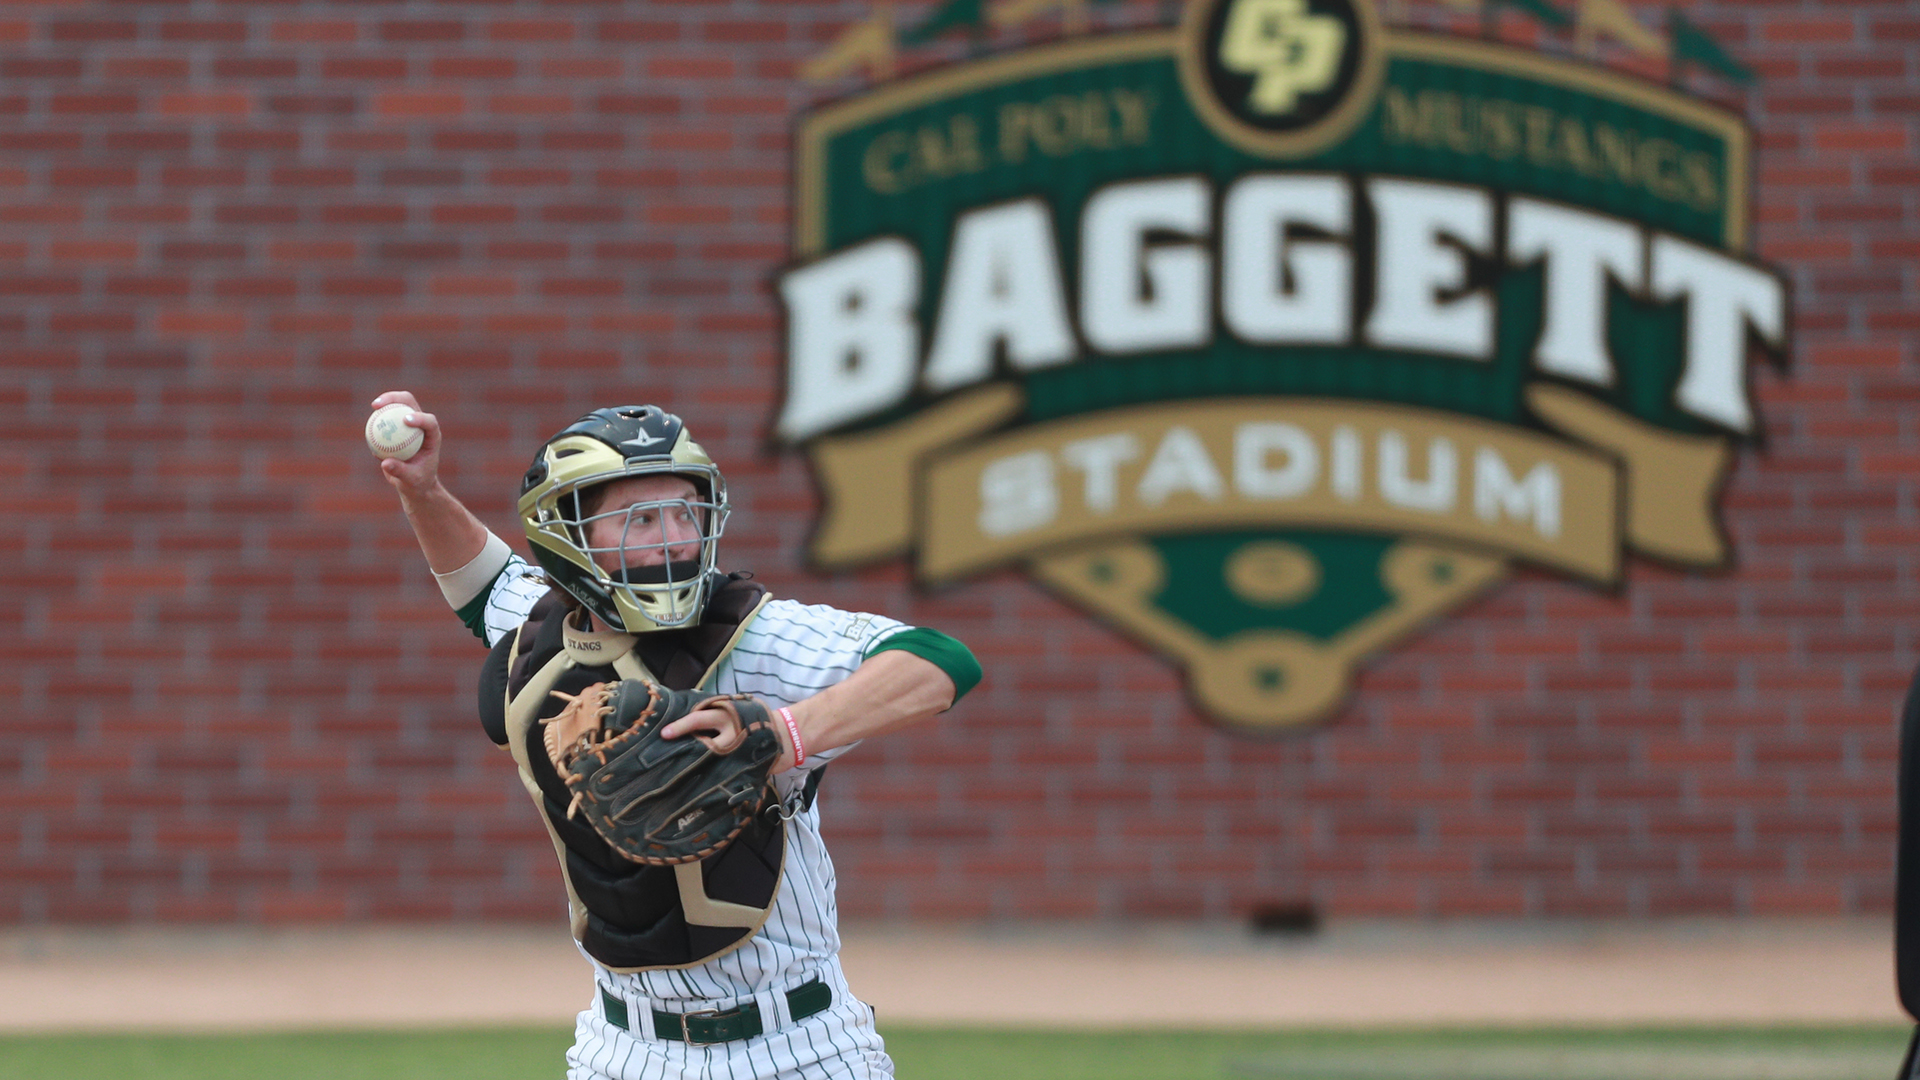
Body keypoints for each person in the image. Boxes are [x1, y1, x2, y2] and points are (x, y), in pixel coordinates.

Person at [370, 390, 981, 1080]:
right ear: (567, 534)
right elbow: (481, 583)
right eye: (637, 519)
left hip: (799, 1047)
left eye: (685, 513)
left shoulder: (755, 635)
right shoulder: (545, 637)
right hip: (620, 1048)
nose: (670, 536)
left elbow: (940, 662)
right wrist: (423, 491)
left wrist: (782, 733)